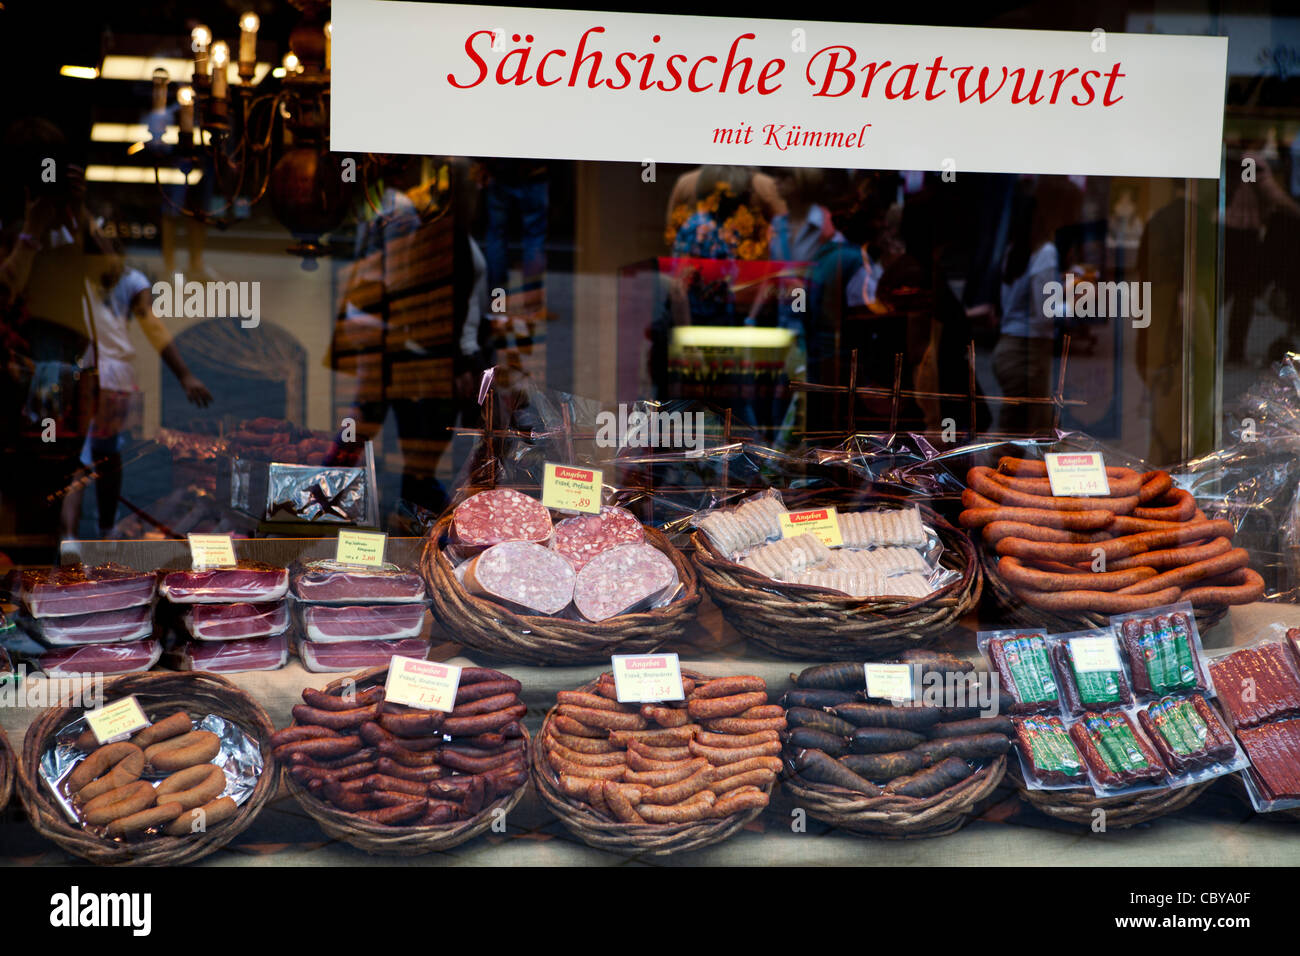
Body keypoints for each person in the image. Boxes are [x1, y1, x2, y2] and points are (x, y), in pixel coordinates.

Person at [63, 235, 212, 537]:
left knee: (92, 460)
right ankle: (86, 536)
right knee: (96, 460)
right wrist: (184, 374)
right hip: (104, 377)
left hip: (99, 376)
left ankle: (84, 536)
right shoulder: (112, 278)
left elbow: (146, 321)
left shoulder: (99, 280)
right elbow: (151, 323)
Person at [992, 176, 1082, 435]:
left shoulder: (1016, 250)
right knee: (1027, 436)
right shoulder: (1044, 252)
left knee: (1024, 433)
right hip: (1025, 355)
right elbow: (1045, 313)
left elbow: (1027, 301)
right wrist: (1075, 305)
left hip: (1011, 348)